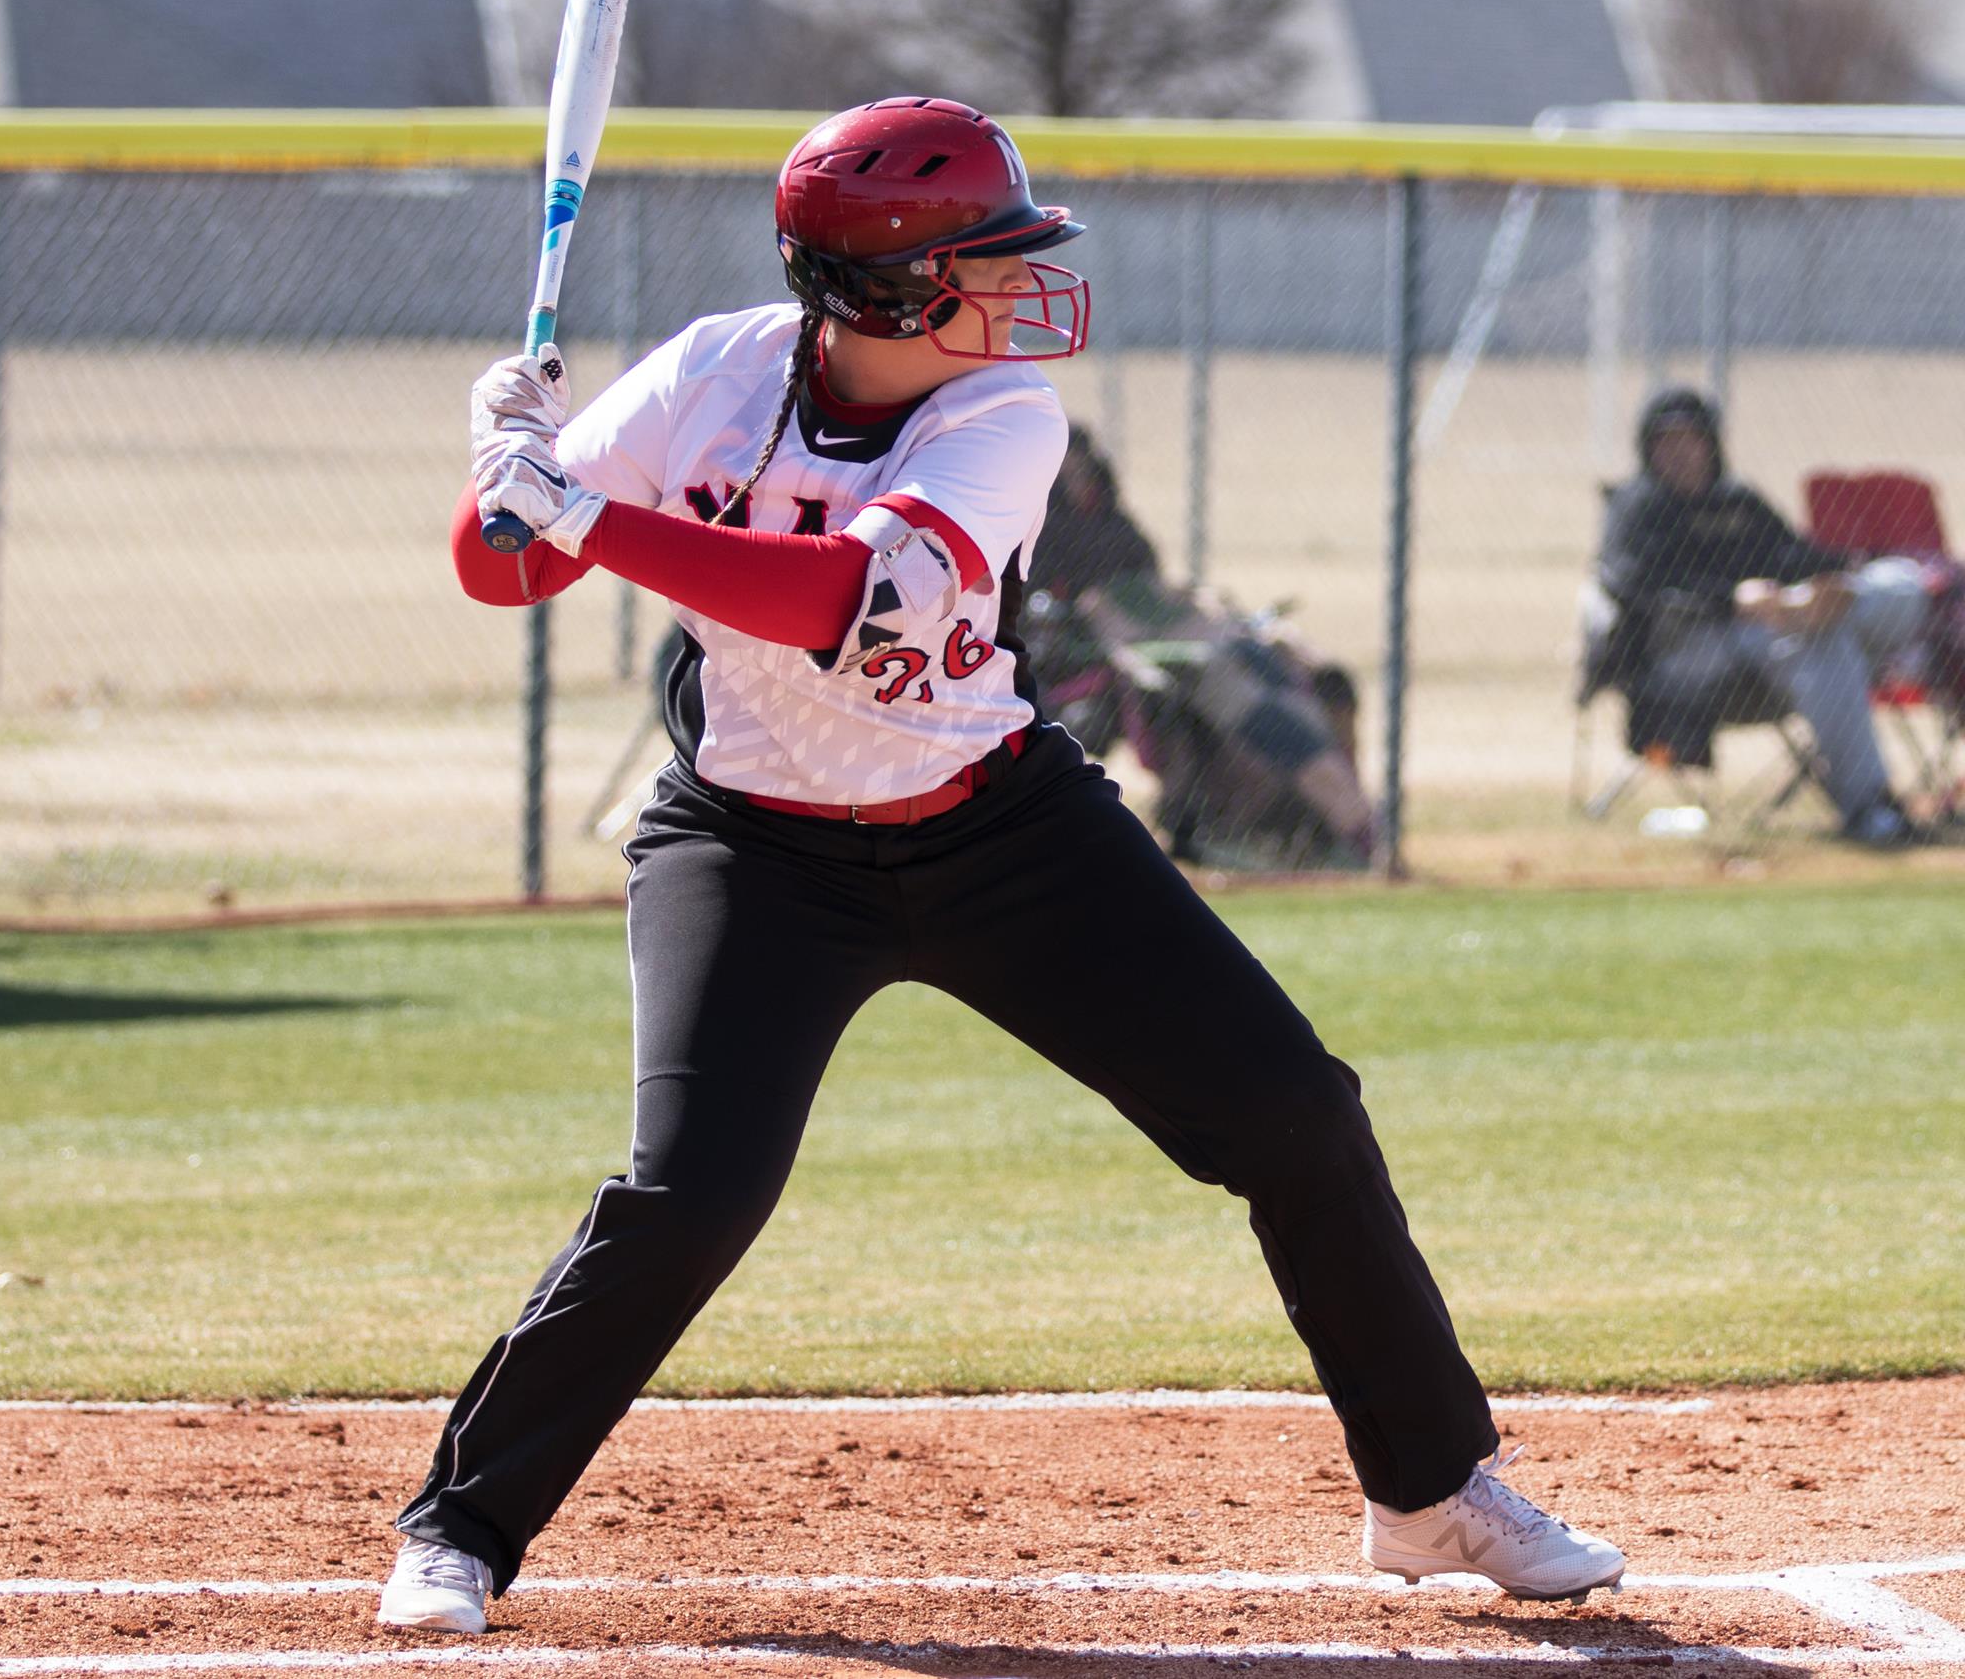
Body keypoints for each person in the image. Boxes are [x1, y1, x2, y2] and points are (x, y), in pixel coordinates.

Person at [376, 97, 1625, 1635]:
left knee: (1294, 1110)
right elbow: (494, 567)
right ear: (881, 290)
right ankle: (460, 1530)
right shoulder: (708, 373)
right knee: (692, 1195)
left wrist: (587, 514)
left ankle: (1431, 1494)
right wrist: (507, 467)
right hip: (750, 847)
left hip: (997, 823)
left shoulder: (1003, 413)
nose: (1022, 286)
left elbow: (852, 599)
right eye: (984, 258)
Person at [1594, 387, 1934, 845]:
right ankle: (1868, 807)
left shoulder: (1735, 501)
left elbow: (1789, 553)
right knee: (1821, 642)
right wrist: (1735, 601)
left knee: (1899, 584)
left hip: (1782, 640)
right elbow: (1632, 585)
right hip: (1695, 653)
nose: (1680, 453)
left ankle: (1837, 602)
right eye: (1666, 442)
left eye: (1690, 440)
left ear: (1711, 444)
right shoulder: (1639, 508)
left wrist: (1833, 575)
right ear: (1647, 448)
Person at [1033, 425, 1376, 867]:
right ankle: (1347, 822)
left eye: (1083, 470)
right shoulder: (1041, 531)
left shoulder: (1116, 527)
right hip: (1106, 654)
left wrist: (1201, 608)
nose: (1080, 482)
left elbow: (1153, 583)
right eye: (1068, 472)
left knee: (1317, 677)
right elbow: (1057, 612)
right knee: (1221, 677)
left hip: (1189, 639)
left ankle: (1348, 822)